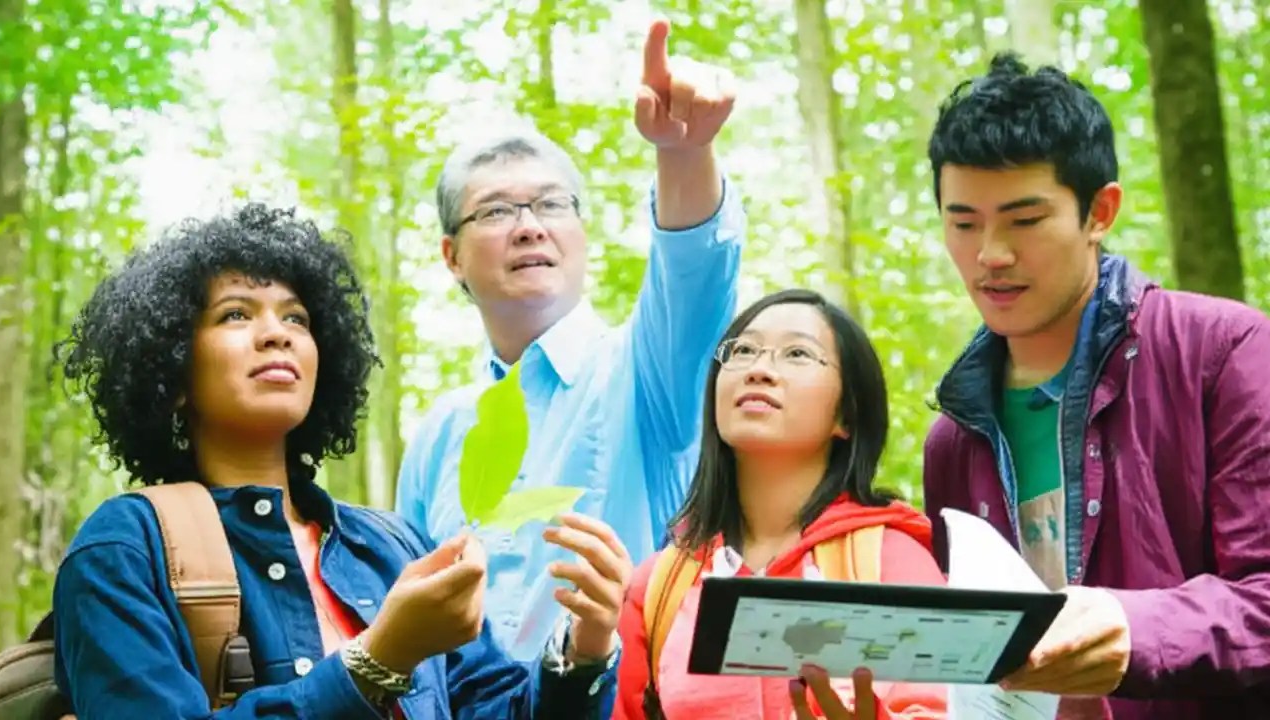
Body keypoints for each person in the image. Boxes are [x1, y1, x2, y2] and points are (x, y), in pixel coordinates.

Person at [51, 203, 630, 719]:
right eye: (235, 314)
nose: (276, 334)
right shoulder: (124, 551)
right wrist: (379, 658)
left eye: (296, 318)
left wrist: (583, 653)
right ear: (171, 370)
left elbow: (498, 707)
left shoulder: (393, 546)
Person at [922, 51, 1270, 719]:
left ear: (1099, 211)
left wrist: (1133, 630)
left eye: (1024, 220)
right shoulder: (953, 441)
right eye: (963, 223)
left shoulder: (1223, 352)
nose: (990, 254)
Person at [395, 17, 745, 663]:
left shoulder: (647, 374)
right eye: (497, 211)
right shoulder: (438, 435)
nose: (529, 227)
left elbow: (694, 276)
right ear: (451, 256)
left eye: (552, 205)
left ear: (582, 234)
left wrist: (685, 152)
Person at [613, 289, 947, 720]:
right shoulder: (660, 584)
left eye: (797, 354)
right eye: (744, 350)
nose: (759, 369)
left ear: (846, 413)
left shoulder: (890, 560)